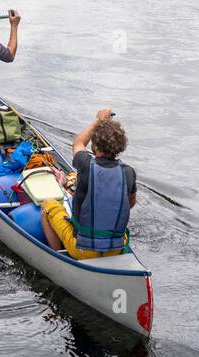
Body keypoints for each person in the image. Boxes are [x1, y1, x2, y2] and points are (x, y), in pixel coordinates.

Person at [39, 108, 136, 259]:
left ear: (95, 146)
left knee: (47, 206)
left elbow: (78, 143)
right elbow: (129, 204)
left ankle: (59, 256)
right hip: (115, 249)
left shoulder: (85, 164)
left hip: (83, 250)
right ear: (120, 147)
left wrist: (99, 121)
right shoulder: (129, 173)